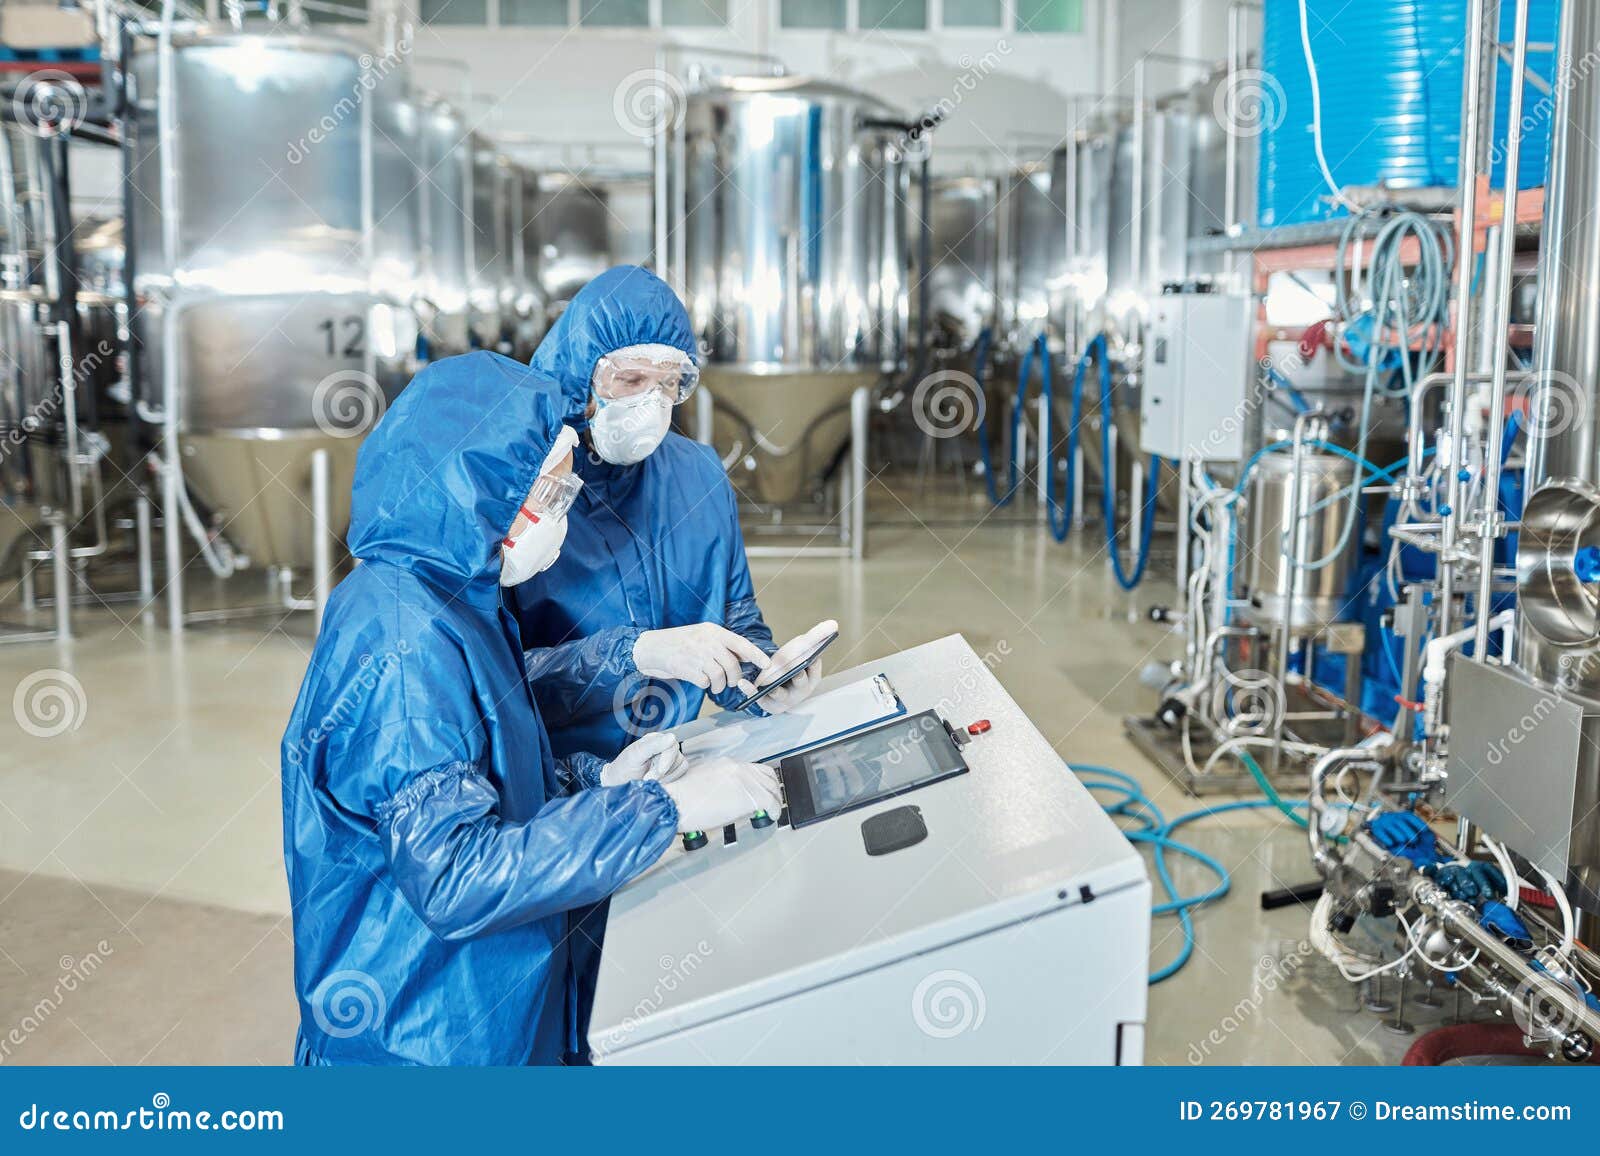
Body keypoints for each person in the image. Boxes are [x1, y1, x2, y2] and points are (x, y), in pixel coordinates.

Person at [280, 350, 782, 1066]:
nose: (564, 511)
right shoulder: (401, 643)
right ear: (483, 487)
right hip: (422, 1045)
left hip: (487, 1013)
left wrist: (599, 783)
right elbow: (454, 875)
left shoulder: (455, 598)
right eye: (551, 492)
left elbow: (493, 778)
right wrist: (659, 813)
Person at [507, 265, 835, 1052]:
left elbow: (735, 619)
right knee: (573, 1022)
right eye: (629, 377)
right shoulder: (531, 490)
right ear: (579, 372)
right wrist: (639, 652)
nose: (650, 401)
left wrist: (765, 682)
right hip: (562, 811)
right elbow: (494, 689)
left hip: (692, 783)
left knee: (674, 1016)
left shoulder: (695, 477)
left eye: (672, 382)